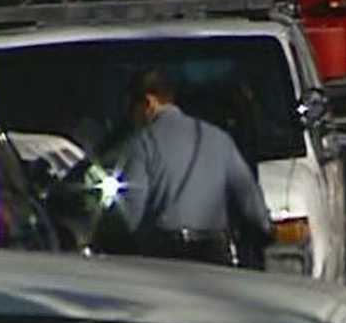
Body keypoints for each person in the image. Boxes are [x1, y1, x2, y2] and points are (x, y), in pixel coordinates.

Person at [115, 68, 273, 266]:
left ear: (148, 102)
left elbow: (132, 208)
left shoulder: (142, 142)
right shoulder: (218, 137)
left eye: (131, 108)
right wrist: (266, 227)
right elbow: (248, 194)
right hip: (214, 250)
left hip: (165, 253)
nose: (131, 117)